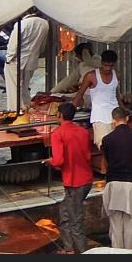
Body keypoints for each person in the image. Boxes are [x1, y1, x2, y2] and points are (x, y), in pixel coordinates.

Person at [99, 107, 132, 250]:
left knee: (115, 227)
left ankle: (116, 253)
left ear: (113, 120)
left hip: (113, 185)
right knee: (131, 227)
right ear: (127, 118)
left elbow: (107, 163)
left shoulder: (106, 140)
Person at [46, 101, 96, 253]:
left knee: (75, 220)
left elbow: (59, 161)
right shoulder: (83, 131)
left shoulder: (58, 133)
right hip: (86, 179)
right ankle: (68, 247)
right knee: (65, 212)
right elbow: (87, 156)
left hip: (74, 181)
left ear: (60, 115)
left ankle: (82, 251)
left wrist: (51, 162)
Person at [4, 14, 49, 112]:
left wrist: (9, 58)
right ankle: (26, 106)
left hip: (17, 60)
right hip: (31, 59)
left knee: (14, 88)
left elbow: (13, 44)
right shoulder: (45, 24)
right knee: (24, 85)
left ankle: (16, 110)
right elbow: (43, 45)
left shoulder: (21, 24)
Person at [76, 50, 122, 145]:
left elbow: (116, 93)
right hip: (99, 118)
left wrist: (123, 108)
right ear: (101, 63)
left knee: (118, 146)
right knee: (104, 147)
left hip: (116, 117)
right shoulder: (91, 76)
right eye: (105, 65)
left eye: (111, 66)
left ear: (115, 64)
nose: (108, 68)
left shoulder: (117, 75)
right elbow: (79, 95)